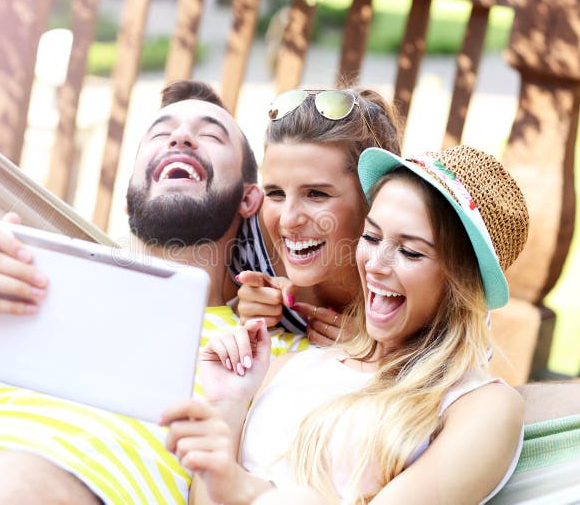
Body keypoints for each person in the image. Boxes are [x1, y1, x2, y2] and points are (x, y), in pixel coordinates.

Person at [0, 81, 307, 505]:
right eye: (160, 133)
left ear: (251, 198)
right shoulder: (27, 274)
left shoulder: (266, 348)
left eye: (211, 134)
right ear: (131, 196)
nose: (180, 137)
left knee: (13, 481)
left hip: (71, 489)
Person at [163, 144, 529, 504]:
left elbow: (235, 490)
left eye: (410, 251)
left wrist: (246, 490)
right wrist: (230, 403)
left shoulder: (481, 406)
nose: (375, 264)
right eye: (371, 237)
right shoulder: (290, 366)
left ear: (460, 284)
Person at [232, 88, 402, 345]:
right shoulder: (248, 238)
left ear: (373, 197)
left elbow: (472, 356)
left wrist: (388, 347)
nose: (288, 220)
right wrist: (240, 309)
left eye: (315, 194)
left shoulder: (416, 263)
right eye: (276, 193)